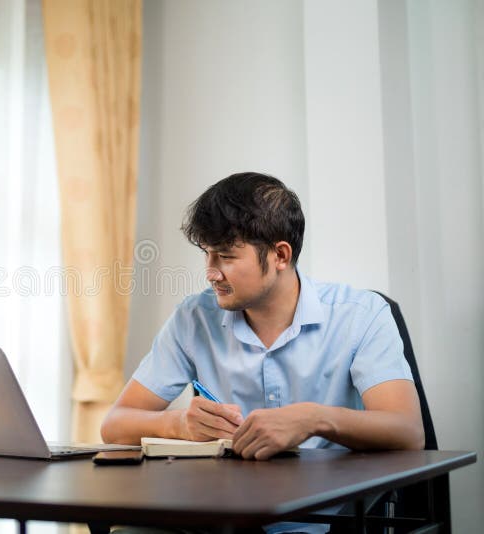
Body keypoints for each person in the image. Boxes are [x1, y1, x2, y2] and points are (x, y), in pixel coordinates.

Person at [101, 172, 424, 534]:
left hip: (325, 523)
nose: (210, 273)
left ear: (280, 255)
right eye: (207, 254)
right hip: (220, 519)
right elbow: (115, 425)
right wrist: (179, 424)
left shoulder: (361, 314)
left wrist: (312, 418)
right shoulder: (194, 318)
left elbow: (408, 430)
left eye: (225, 256)